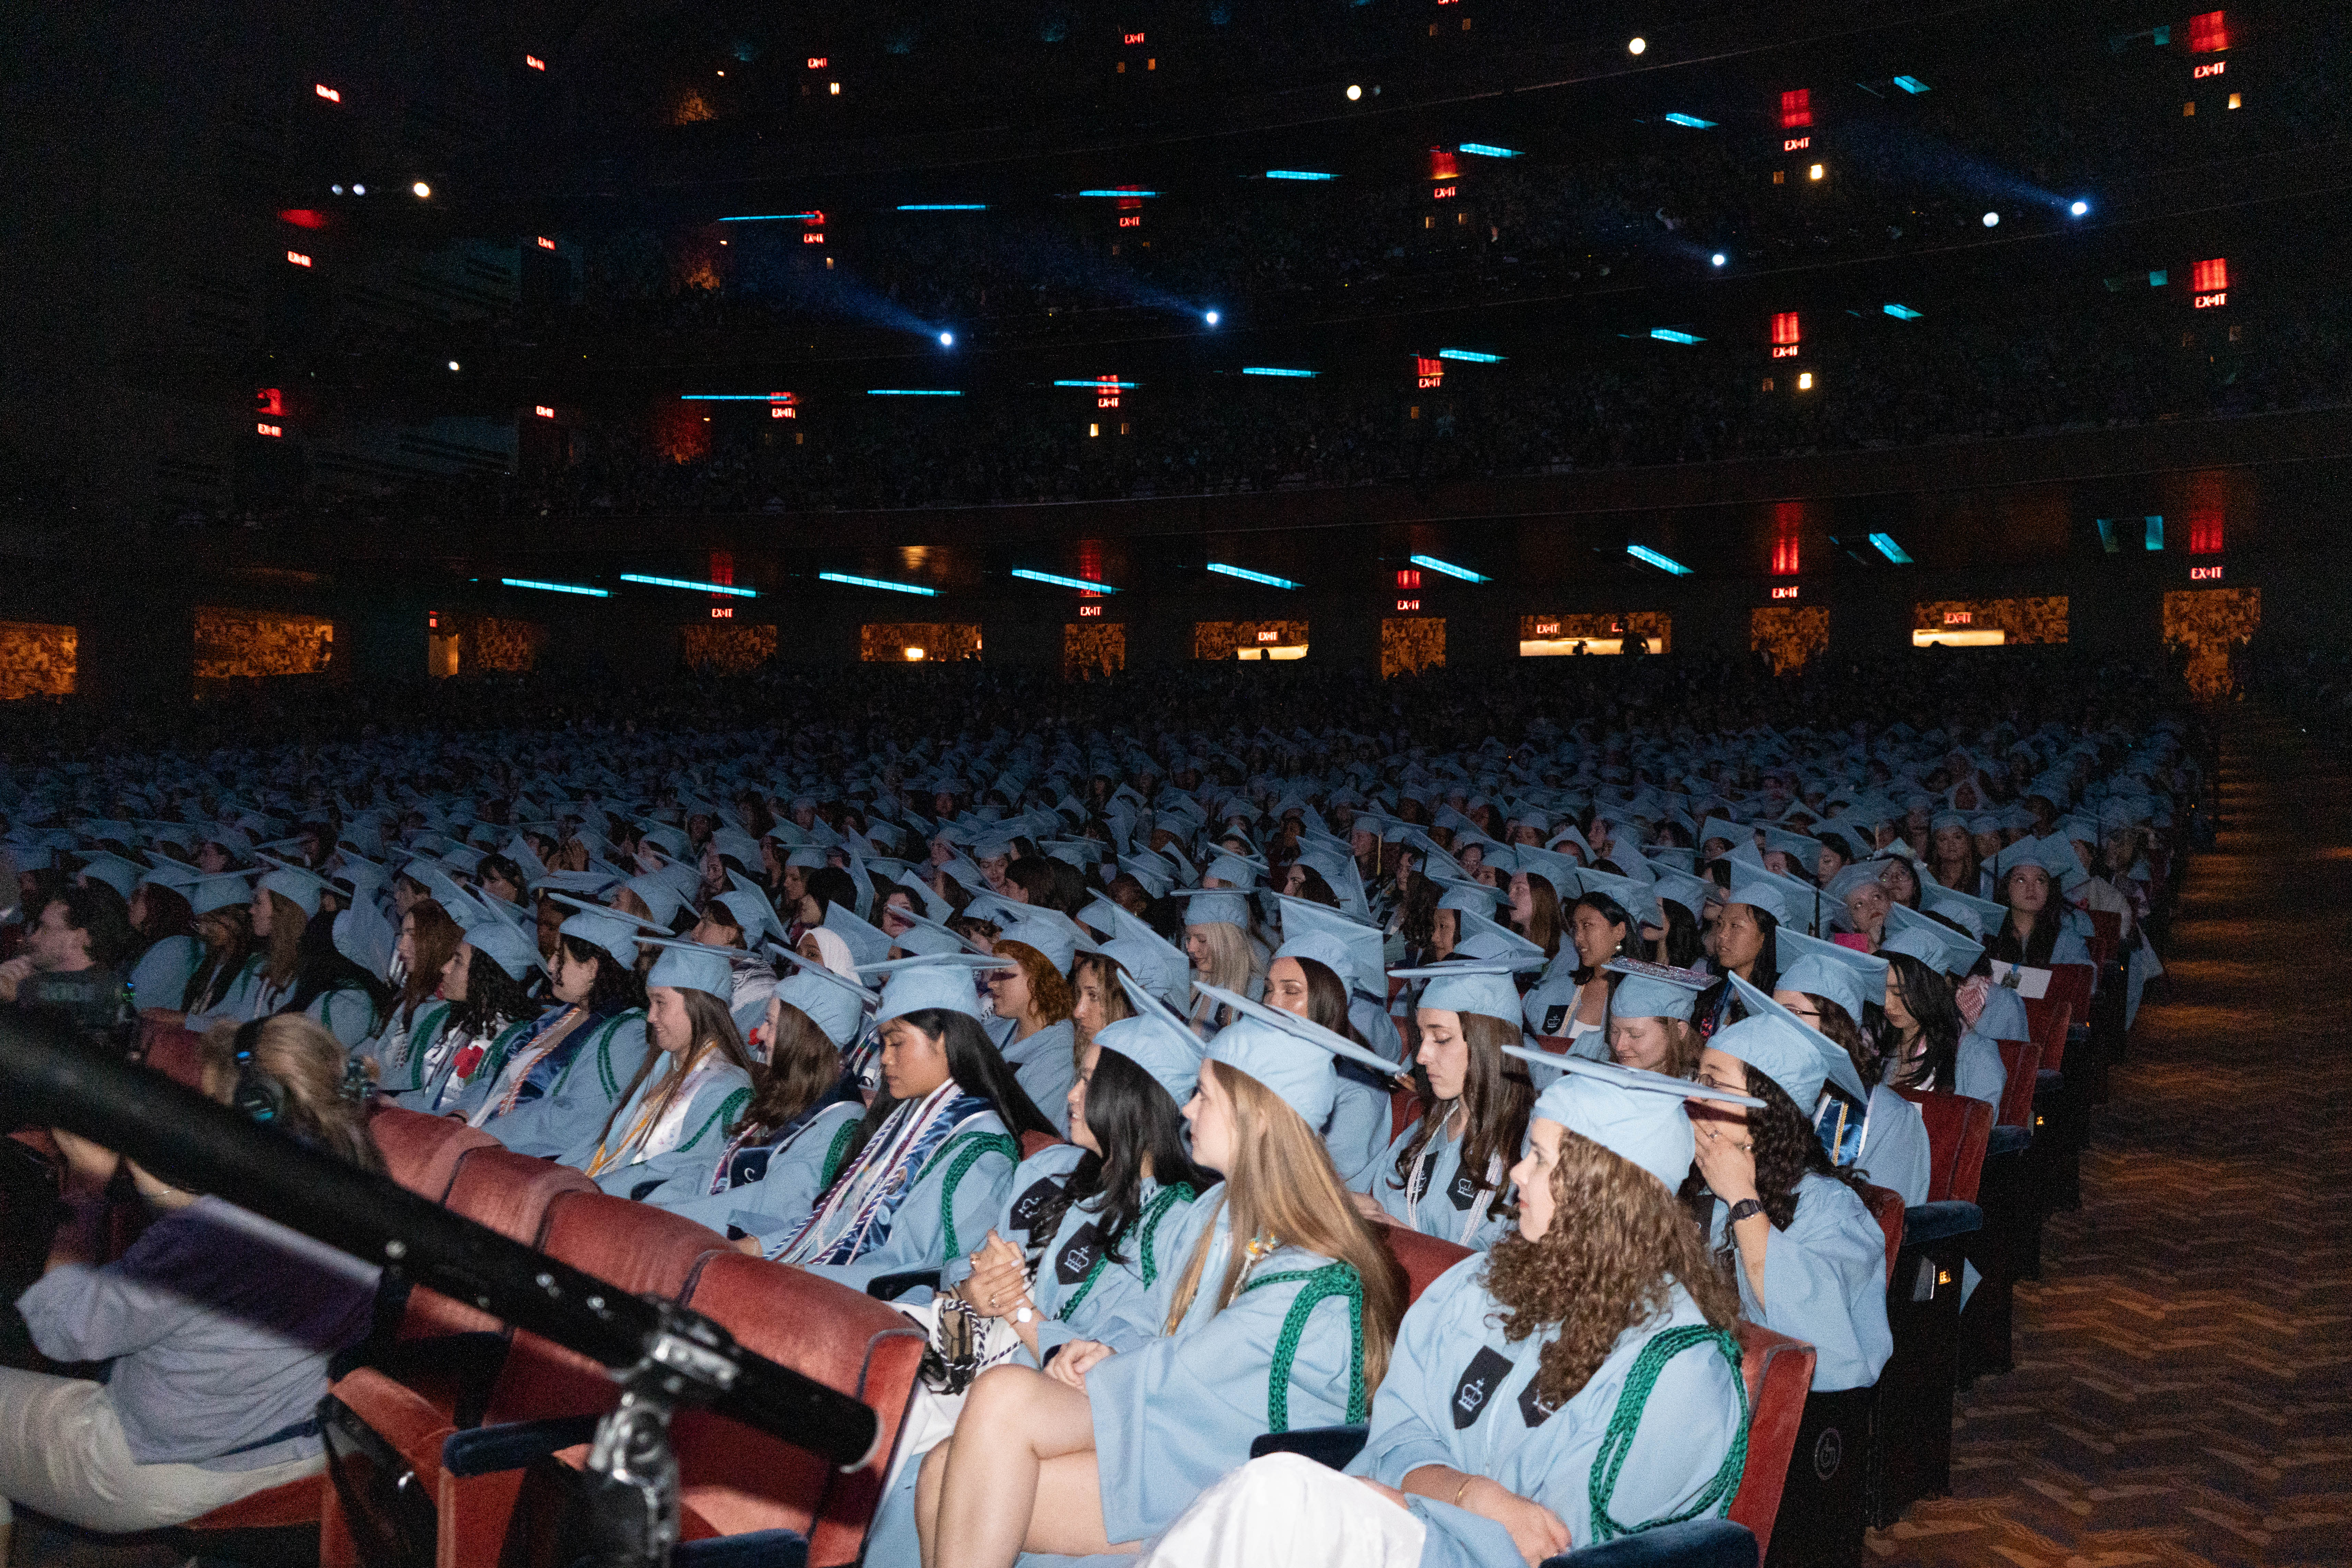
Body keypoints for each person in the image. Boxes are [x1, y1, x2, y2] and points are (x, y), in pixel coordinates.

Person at [1151, 1056, 1752, 1568]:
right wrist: (1467, 1494)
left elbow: (1555, 1544)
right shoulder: (1485, 1282)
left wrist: (1432, 1508)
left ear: (1603, 1195)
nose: (1516, 1174)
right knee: (1267, 1502)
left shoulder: (1674, 1370)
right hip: (1420, 1527)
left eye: (1540, 1159)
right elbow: (1400, 1428)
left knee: (1274, 1497)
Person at [912, 997, 1405, 1568]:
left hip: (1232, 1467)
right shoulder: (1217, 1207)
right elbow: (1153, 1318)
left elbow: (1203, 1379)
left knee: (988, 1420)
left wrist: (1101, 1363)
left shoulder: (1316, 1269)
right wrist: (1102, 1350)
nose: (1188, 1109)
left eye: (1205, 1096)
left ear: (1259, 1117)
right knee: (944, 1464)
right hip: (1172, 1426)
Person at [0, 1015, 380, 1536]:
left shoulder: (209, 1238)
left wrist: (85, 1186)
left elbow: (62, 1330)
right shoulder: (365, 1194)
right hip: (303, 1446)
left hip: (169, 1468)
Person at [750, 957, 1054, 1295]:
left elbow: (907, 1270)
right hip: (837, 1286)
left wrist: (797, 1274)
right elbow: (840, 1223)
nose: (884, 1058)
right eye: (883, 1044)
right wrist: (762, 1248)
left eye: (896, 1042)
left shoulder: (980, 1152)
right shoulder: (904, 1118)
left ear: (943, 1041)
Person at [1685, 976, 1892, 1395]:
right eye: (1697, 1079)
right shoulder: (1693, 1180)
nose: (1693, 1096)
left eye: (1713, 1082)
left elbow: (1819, 1346)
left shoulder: (1829, 1208)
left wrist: (1743, 1200)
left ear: (1767, 1107)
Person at [626, 967, 868, 1232]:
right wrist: (657, 1201)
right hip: (705, 1225)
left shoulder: (840, 1119)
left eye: (771, 1024)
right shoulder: (788, 1094)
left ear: (803, 1037)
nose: (760, 1033)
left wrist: (670, 1217)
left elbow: (770, 1204)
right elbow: (716, 1169)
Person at [1357, 961, 1532, 1251]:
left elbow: (1511, 1271)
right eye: (1422, 1037)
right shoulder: (1426, 1130)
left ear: (1487, 1045)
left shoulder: (1529, 1150)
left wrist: (1411, 1241)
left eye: (1441, 1039)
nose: (1422, 1056)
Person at [571, 943, 756, 1198]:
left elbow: (684, 1177)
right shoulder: (663, 1065)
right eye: (650, 1003)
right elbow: (605, 1145)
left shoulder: (726, 1085)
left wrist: (589, 1193)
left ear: (697, 1006)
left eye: (661, 1003)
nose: (650, 1016)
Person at [470, 906, 654, 1157]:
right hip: (489, 1144)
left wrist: (487, 1135)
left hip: (529, 1162)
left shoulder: (625, 1035)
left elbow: (573, 1120)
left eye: (561, 956)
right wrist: (462, 1114)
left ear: (591, 968)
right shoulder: (561, 1016)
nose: (550, 965)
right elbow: (504, 1082)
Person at [1776, 953, 1932, 1208]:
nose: (1775, 1025)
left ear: (1834, 1024)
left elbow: (1880, 1225)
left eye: (1792, 1012)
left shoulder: (1890, 1118)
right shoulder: (1760, 1090)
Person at [0, 884, 137, 1049]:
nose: (34, 939)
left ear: (78, 938)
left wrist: (10, 982)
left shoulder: (110, 988)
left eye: (45, 929)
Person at [352, 899, 460, 1092]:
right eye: (403, 935)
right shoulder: (413, 997)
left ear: (435, 942)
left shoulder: (445, 1010)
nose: (401, 946)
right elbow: (379, 1052)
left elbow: (411, 1080)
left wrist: (355, 1089)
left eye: (412, 935)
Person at [986, 933, 1081, 1137]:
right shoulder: (997, 1026)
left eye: (1003, 972)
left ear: (1038, 979)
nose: (992, 983)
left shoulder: (1059, 1057)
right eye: (994, 971)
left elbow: (1029, 1135)